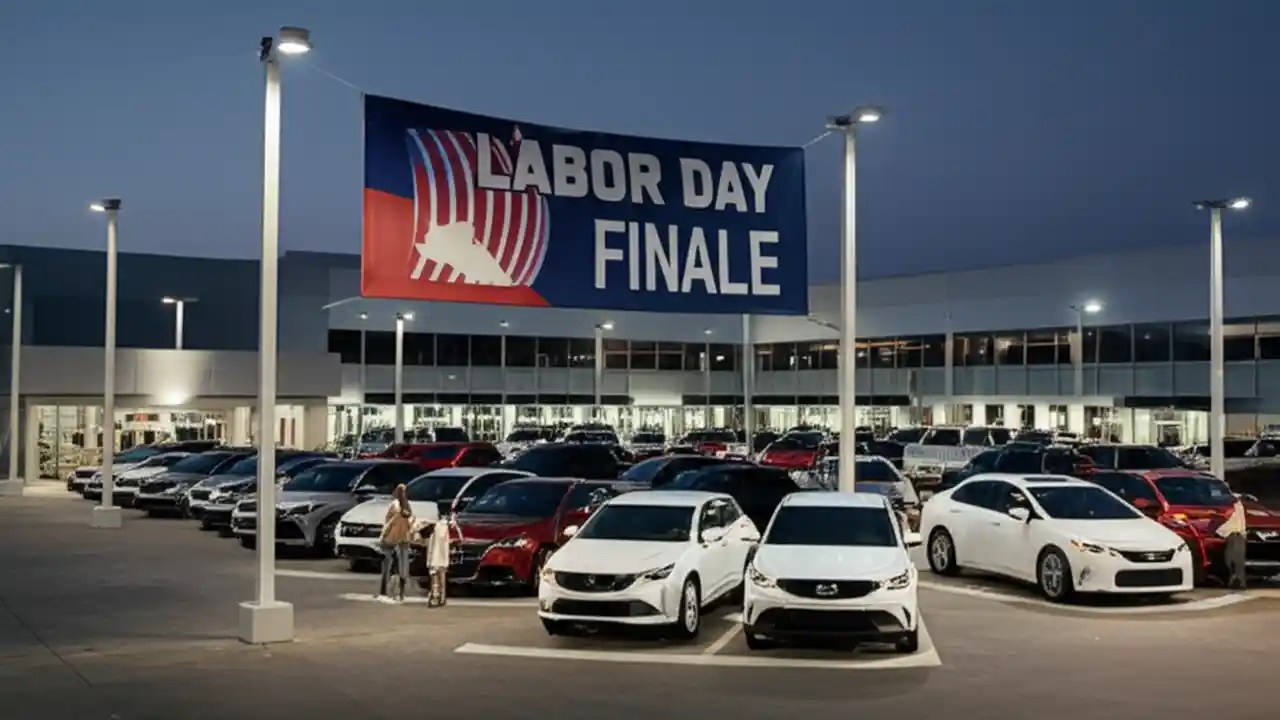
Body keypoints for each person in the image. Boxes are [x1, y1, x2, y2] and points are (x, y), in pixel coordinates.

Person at [378, 484, 414, 602]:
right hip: (398, 539)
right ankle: (394, 592)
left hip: (398, 539)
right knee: (397, 566)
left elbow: (391, 522)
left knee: (397, 567)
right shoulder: (400, 505)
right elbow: (390, 520)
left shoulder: (401, 505)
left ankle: (394, 592)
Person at [427, 512, 452, 607]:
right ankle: (442, 597)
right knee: (442, 576)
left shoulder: (437, 526)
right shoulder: (446, 526)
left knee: (435, 577)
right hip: (442, 556)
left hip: (436, 556)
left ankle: (436, 596)